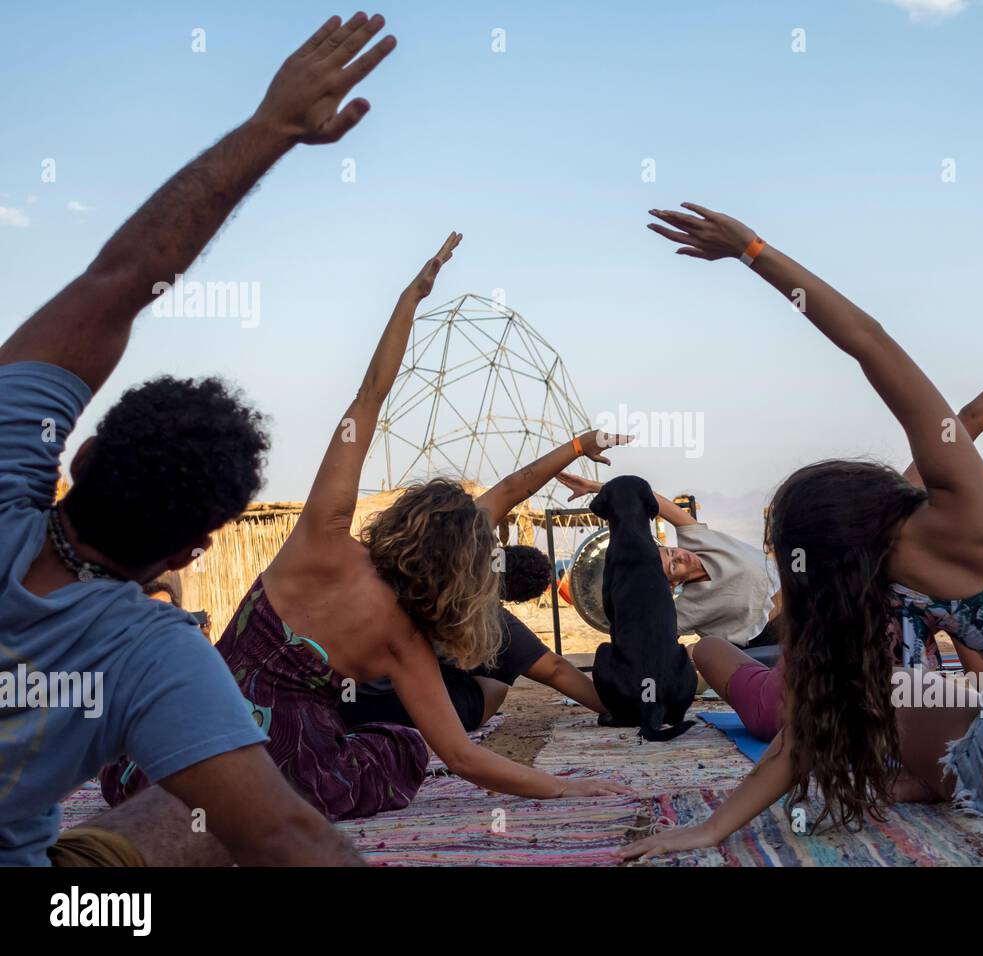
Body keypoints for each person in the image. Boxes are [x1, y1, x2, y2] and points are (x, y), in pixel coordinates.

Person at [621, 204, 983, 860]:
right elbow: (870, 342)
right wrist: (753, 249)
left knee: (901, 694)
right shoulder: (966, 498)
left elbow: (802, 737)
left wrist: (711, 830)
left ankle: (918, 783)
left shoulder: (875, 587)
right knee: (938, 688)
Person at [0, 13, 398, 867]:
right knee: (213, 808)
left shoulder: (7, 467)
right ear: (196, 545)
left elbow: (115, 283)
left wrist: (271, 129)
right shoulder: (149, 650)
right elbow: (292, 840)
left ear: (81, 456)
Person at [102, 235, 632, 819]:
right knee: (402, 746)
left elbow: (369, 396)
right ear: (465, 576)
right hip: (279, 780)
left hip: (183, 743)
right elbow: (463, 758)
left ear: (406, 521)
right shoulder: (403, 641)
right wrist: (568, 789)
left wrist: (410, 298)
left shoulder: (322, 539)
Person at [658, 321, 983, 744]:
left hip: (788, 715)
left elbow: (965, 419)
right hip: (895, 718)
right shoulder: (906, 541)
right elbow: (967, 421)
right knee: (957, 631)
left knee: (711, 649)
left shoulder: (815, 568)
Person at [340, 544, 610, 731]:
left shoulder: (410, 566)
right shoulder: (490, 618)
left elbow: (509, 488)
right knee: (495, 679)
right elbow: (554, 669)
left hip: (344, 701)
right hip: (407, 710)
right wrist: (615, 708)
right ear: (516, 598)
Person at [556, 472, 781, 653]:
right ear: (671, 585)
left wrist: (597, 487)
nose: (681, 556)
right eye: (674, 566)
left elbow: (648, 497)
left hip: (793, 587)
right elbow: (647, 635)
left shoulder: (699, 542)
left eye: (672, 552)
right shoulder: (685, 609)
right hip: (770, 633)